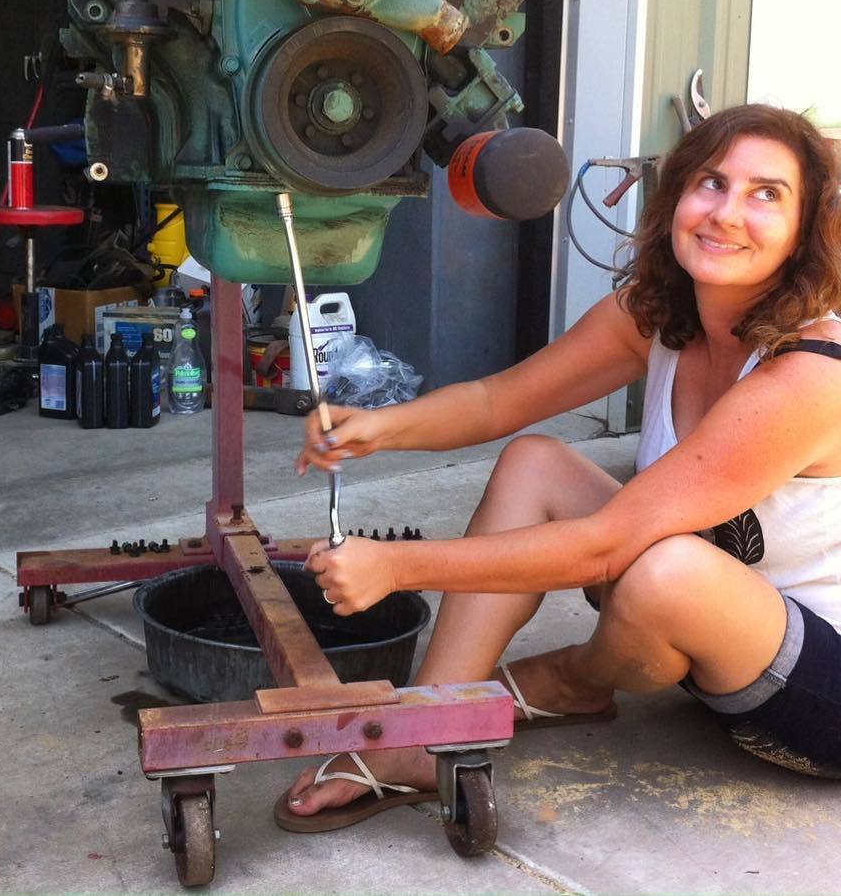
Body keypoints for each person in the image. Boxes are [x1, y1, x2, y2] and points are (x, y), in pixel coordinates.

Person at [277, 104, 841, 834]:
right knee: (534, 464)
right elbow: (494, 402)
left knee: (665, 567)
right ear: (675, 199)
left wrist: (399, 566)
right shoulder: (658, 315)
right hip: (700, 645)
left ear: (803, 232)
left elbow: (609, 544)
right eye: (711, 182)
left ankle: (571, 681)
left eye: (768, 194)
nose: (727, 213)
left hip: (820, 691)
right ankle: (422, 732)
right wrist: (378, 428)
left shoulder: (812, 375)